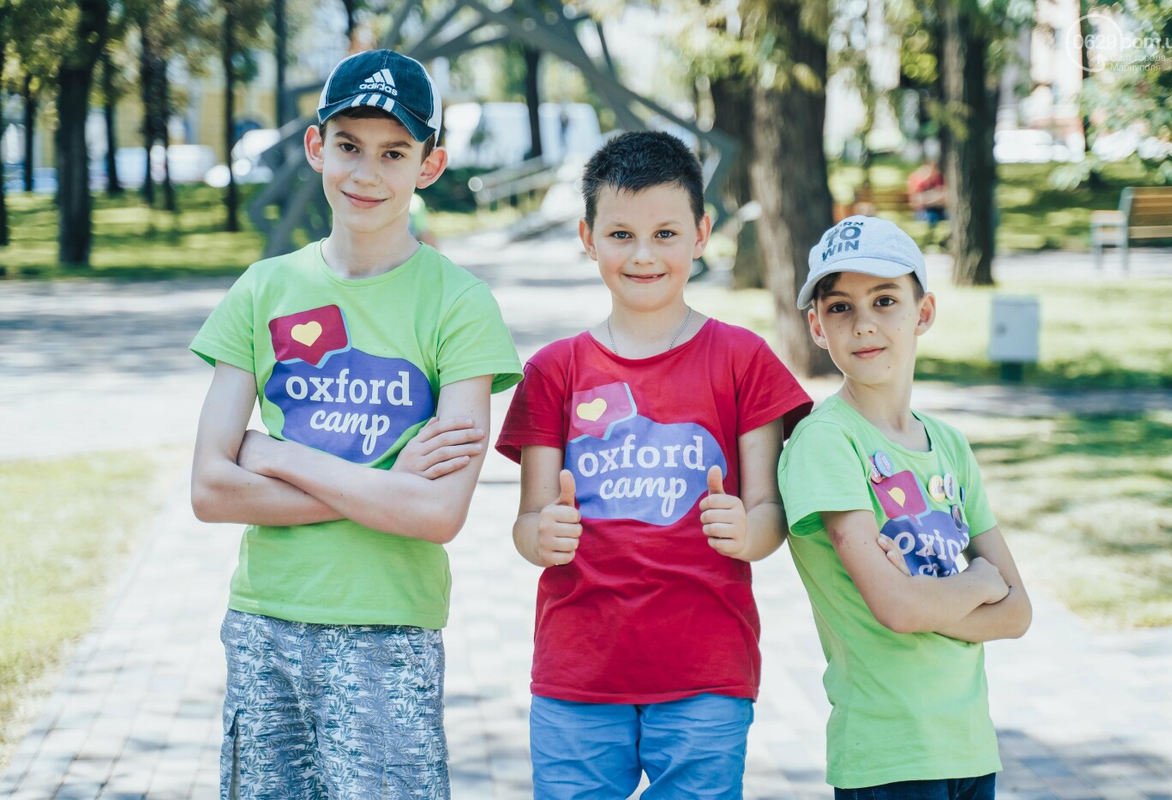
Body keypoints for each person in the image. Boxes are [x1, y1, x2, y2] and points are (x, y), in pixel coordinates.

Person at [189, 49, 522, 798]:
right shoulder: (264, 288)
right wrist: (384, 487)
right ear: (316, 148)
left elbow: (437, 512)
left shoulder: (459, 305)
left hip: (389, 632)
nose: (366, 174)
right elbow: (210, 489)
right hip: (263, 623)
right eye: (348, 146)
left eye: (393, 152)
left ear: (428, 165)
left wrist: (274, 453)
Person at [495, 131, 813, 799]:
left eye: (666, 233)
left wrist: (748, 530)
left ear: (701, 233)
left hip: (705, 673)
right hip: (578, 675)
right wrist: (539, 536)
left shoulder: (742, 359)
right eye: (621, 235)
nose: (644, 255)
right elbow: (528, 525)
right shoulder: (554, 371)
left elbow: (769, 514)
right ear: (587, 237)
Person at [778, 216, 1032, 799]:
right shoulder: (827, 441)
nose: (863, 324)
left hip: (969, 746)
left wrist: (928, 600)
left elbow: (1018, 614)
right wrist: (978, 581)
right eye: (839, 307)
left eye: (885, 299)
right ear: (817, 327)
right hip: (888, 756)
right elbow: (896, 608)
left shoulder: (948, 444)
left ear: (922, 313)